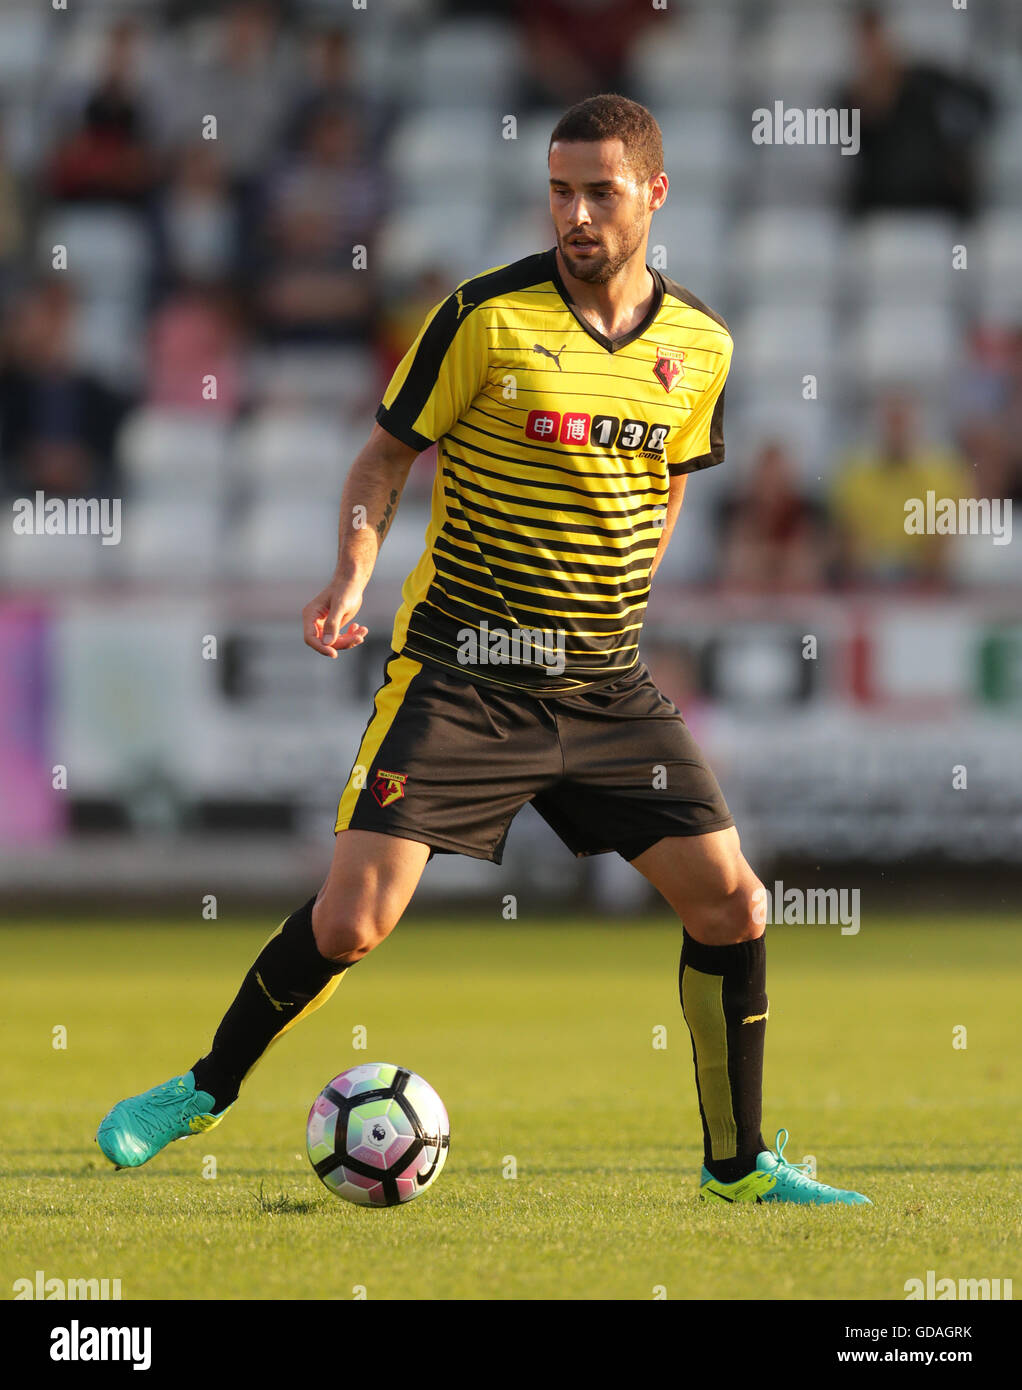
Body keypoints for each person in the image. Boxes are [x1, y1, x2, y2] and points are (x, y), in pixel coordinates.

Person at [96, 94, 868, 1206]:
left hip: (602, 681)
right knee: (352, 920)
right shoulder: (484, 317)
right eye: (559, 190)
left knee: (734, 905)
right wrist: (351, 572)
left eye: (600, 190)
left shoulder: (699, 345)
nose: (575, 213)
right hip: (462, 674)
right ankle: (205, 1089)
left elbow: (662, 488)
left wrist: (629, 609)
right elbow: (381, 460)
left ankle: (736, 1166)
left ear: (654, 194)